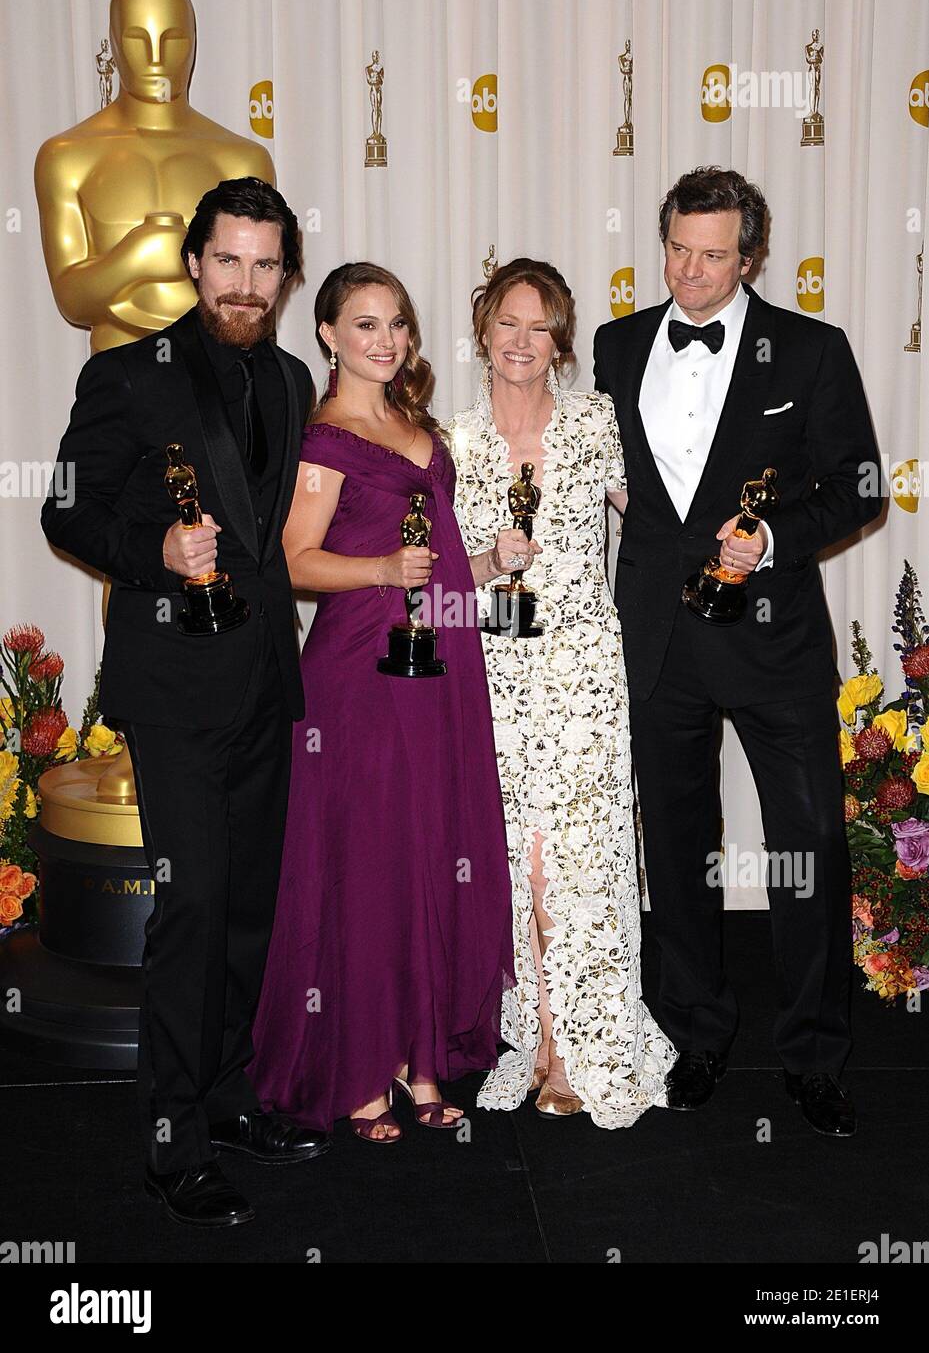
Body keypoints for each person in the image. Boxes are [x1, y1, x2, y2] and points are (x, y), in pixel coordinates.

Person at [41, 177, 329, 1228]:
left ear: (282, 276)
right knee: (194, 903)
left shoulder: (295, 380)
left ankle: (228, 1095)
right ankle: (172, 1139)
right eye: (229, 260)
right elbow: (63, 510)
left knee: (250, 905)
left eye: (266, 265)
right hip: (169, 692)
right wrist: (155, 553)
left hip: (262, 683)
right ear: (194, 263)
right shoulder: (127, 374)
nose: (246, 282)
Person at [593, 166, 883, 1138]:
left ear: (750, 257)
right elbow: (598, 466)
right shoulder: (615, 342)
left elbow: (858, 489)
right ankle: (693, 1033)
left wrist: (768, 539)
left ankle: (811, 1055)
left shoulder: (808, 350)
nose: (688, 270)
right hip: (659, 640)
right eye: (675, 247)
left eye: (712, 255)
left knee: (803, 849)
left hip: (771, 643)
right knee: (675, 848)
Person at [246, 262, 514, 1142]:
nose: (386, 340)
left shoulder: (417, 429)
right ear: (326, 335)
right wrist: (375, 572)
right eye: (364, 325)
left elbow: (430, 567)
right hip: (358, 676)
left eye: (396, 322)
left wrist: (487, 568)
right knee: (365, 866)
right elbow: (291, 562)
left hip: (439, 666)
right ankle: (358, 1068)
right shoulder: (324, 439)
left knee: (428, 855)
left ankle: (421, 1057)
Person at [446, 258, 675, 1125]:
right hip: (495, 670)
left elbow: (656, 526)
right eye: (507, 321)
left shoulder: (595, 423)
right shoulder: (453, 441)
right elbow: (435, 584)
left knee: (575, 859)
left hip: (581, 672)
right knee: (514, 862)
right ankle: (539, 1040)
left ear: (560, 341)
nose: (520, 341)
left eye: (538, 327)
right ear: (482, 328)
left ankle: (582, 1046)